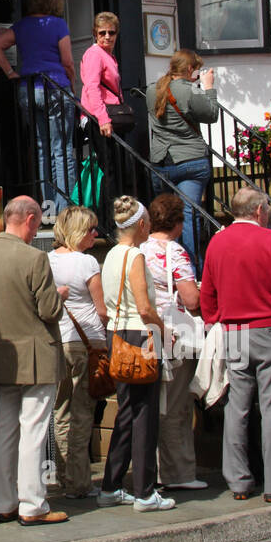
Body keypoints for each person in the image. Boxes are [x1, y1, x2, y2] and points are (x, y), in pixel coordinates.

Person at [199, 187, 271, 503]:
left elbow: (208, 291)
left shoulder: (217, 241)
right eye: (268, 209)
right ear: (259, 211)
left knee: (237, 408)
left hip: (235, 330)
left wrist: (216, 320)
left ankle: (239, 481)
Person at [0, 195, 69, 527]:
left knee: (5, 428)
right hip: (37, 353)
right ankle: (32, 504)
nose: (36, 230)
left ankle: (4, 502)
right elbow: (48, 310)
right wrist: (60, 297)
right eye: (37, 222)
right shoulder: (35, 258)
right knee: (34, 430)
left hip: (1, 353)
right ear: (28, 219)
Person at [98, 196, 175, 513]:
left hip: (117, 334)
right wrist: (164, 331)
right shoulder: (136, 257)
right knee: (145, 414)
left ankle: (112, 485)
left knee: (127, 411)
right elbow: (144, 308)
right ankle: (145, 491)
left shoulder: (112, 254)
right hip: (140, 336)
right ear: (141, 224)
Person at [0, 0, 78, 212]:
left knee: (41, 147)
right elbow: (67, 61)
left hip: (29, 89)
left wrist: (11, 73)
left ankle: (47, 206)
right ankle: (65, 208)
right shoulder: (58, 24)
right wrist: (74, 87)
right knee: (62, 149)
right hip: (56, 88)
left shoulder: (22, 26)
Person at [140, 193, 206, 491]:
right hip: (175, 335)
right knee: (177, 406)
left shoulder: (138, 249)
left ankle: (150, 470)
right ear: (177, 223)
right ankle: (179, 472)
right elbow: (191, 298)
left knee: (154, 405)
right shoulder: (175, 252)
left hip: (146, 334)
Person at [48, 205, 106, 500]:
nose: (96, 234)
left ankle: (63, 474)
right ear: (78, 232)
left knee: (61, 410)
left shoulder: (46, 261)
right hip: (86, 341)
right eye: (91, 229)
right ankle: (79, 481)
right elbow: (101, 309)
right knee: (83, 412)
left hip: (57, 340)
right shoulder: (87, 263)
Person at [149, 49, 219, 271]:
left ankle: (167, 267)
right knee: (187, 214)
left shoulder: (152, 90)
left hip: (162, 163)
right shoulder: (190, 90)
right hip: (191, 161)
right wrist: (208, 87)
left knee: (164, 216)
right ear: (190, 69)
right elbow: (211, 114)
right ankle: (190, 269)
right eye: (196, 70)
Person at [80, 11, 127, 137]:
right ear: (95, 34)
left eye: (111, 32)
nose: (107, 36)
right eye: (102, 33)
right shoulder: (94, 54)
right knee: (106, 156)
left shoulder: (108, 56)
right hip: (98, 118)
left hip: (112, 115)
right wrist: (103, 119)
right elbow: (92, 87)